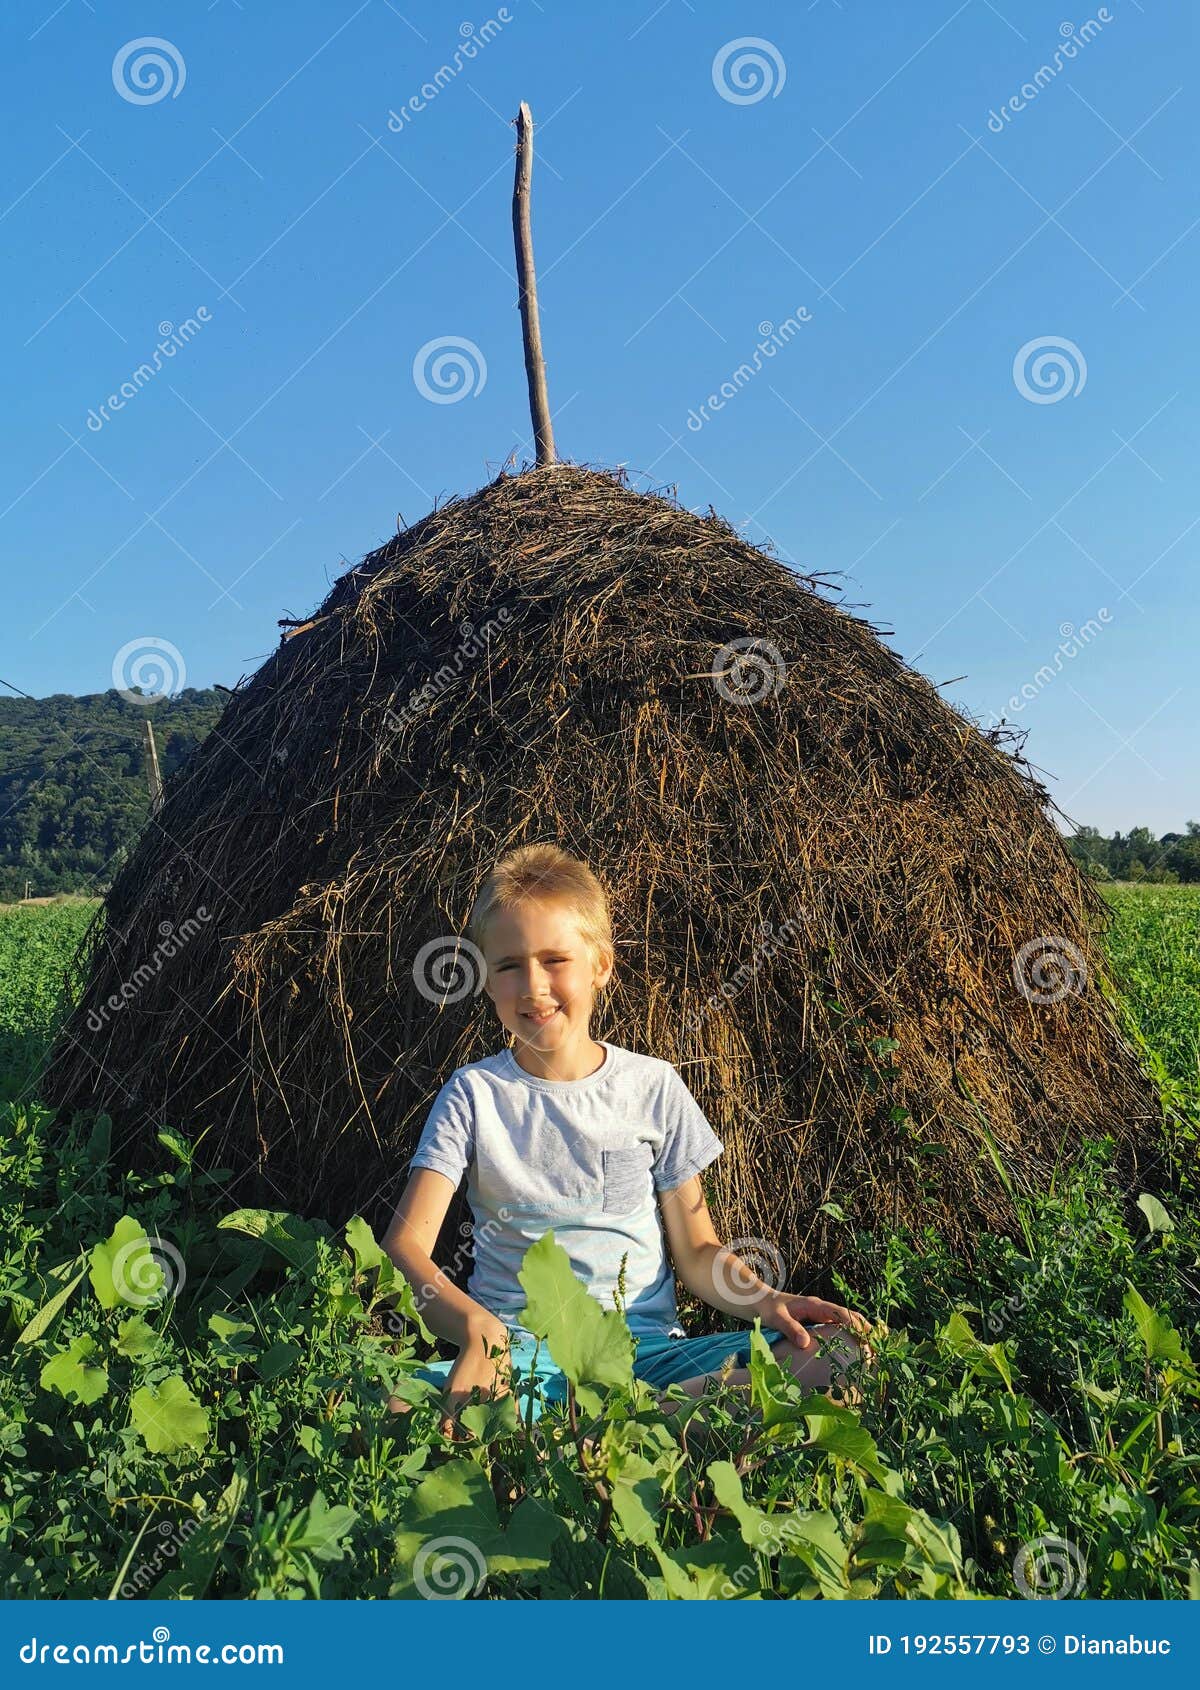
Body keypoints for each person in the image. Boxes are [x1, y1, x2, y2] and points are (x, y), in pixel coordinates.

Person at [380, 842, 873, 1439]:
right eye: (508, 965)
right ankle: (633, 1433)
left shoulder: (652, 1086)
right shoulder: (473, 1094)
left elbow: (697, 1254)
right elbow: (406, 1247)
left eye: (555, 958)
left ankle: (582, 1435)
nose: (533, 985)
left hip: (646, 1359)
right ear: (485, 981)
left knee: (840, 1353)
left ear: (601, 967)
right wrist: (478, 1330)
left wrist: (768, 1301)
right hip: (521, 1362)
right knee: (390, 1407)